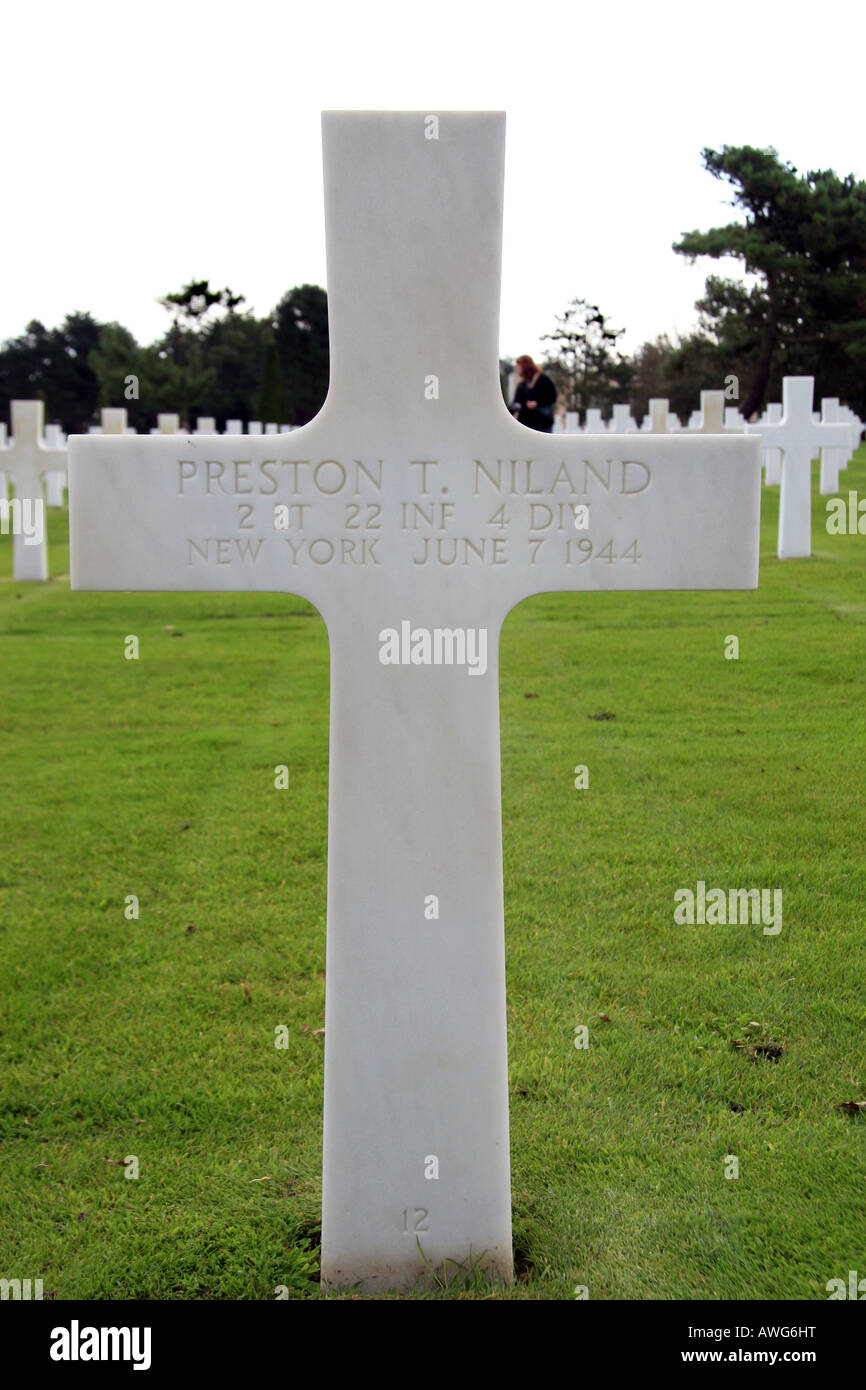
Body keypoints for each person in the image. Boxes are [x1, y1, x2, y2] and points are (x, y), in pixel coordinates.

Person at [510, 355, 557, 432]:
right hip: (526, 426)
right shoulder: (522, 385)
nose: (516, 368)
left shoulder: (543, 380)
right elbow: (516, 403)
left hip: (542, 426)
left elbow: (552, 397)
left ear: (525, 366)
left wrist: (537, 403)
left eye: (518, 365)